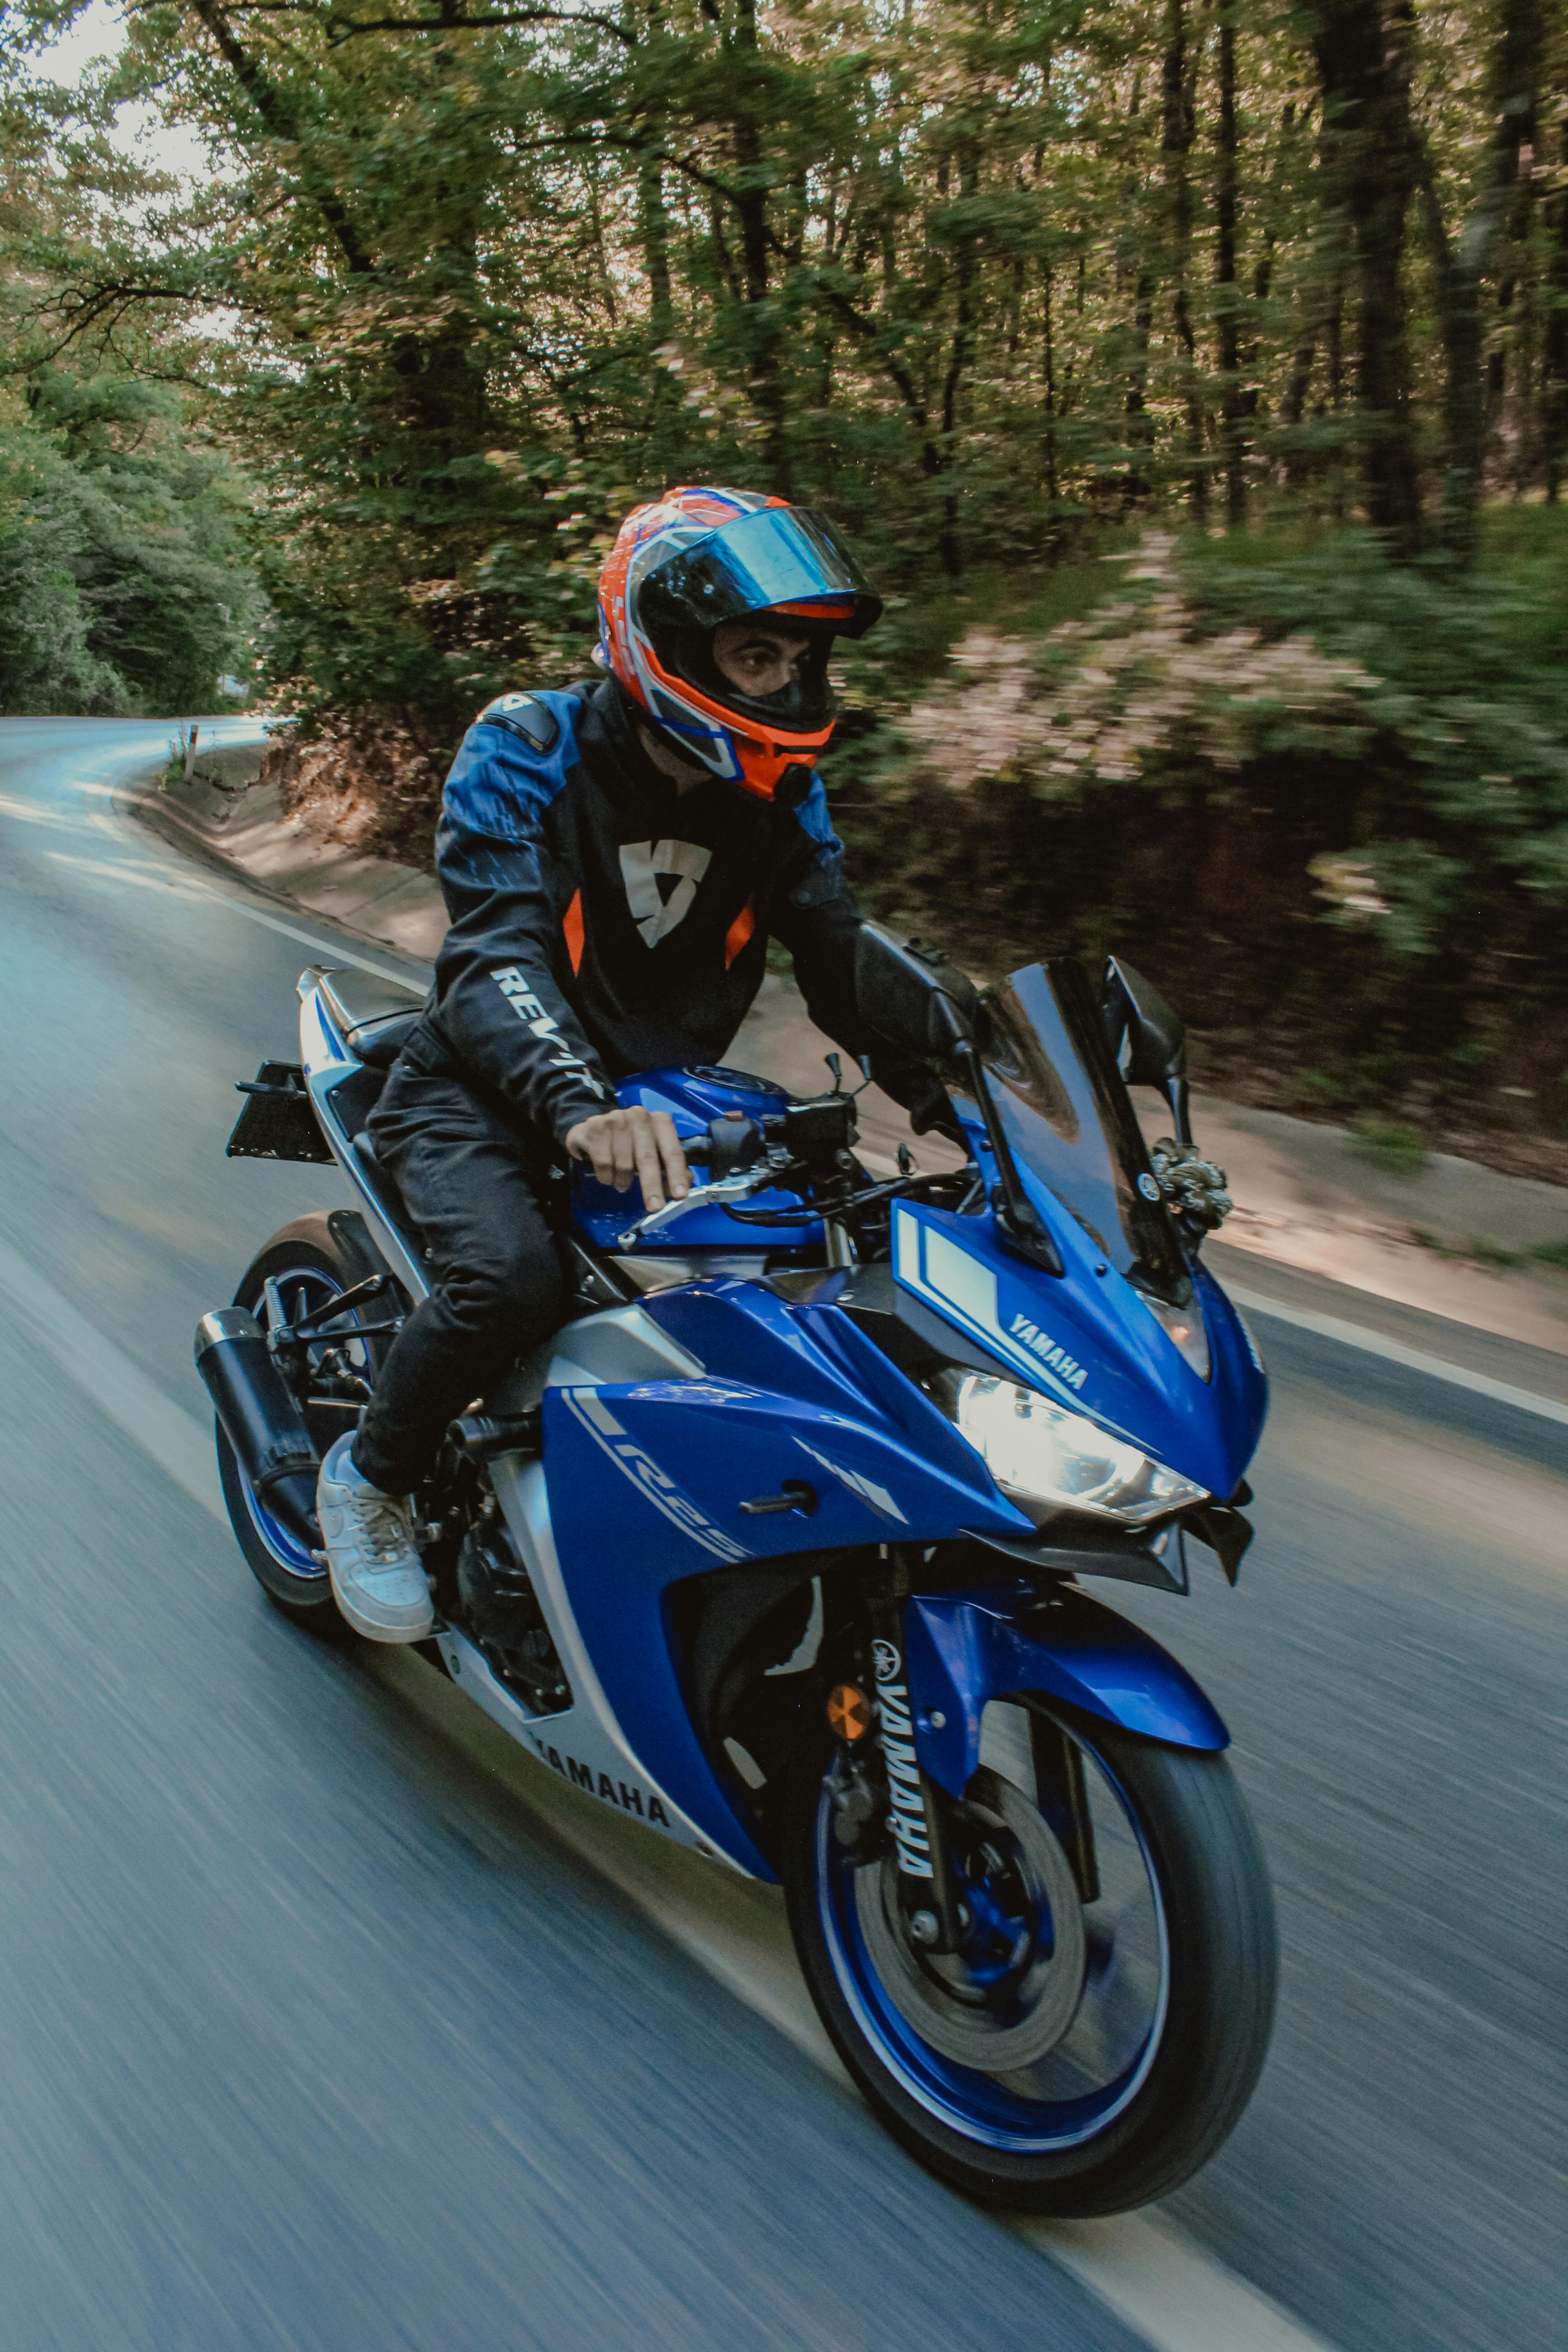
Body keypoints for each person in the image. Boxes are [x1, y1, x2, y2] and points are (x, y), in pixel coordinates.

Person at [316, 484, 949, 1642]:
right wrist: (574, 1100)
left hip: (672, 1116)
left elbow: (843, 957)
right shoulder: (529, 744)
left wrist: (976, 1105)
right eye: (758, 655)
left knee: (807, 1294)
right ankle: (372, 1478)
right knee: (508, 1280)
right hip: (481, 1091)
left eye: (801, 661)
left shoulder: (785, 793)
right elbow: (496, 946)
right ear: (661, 638)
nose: (791, 689)